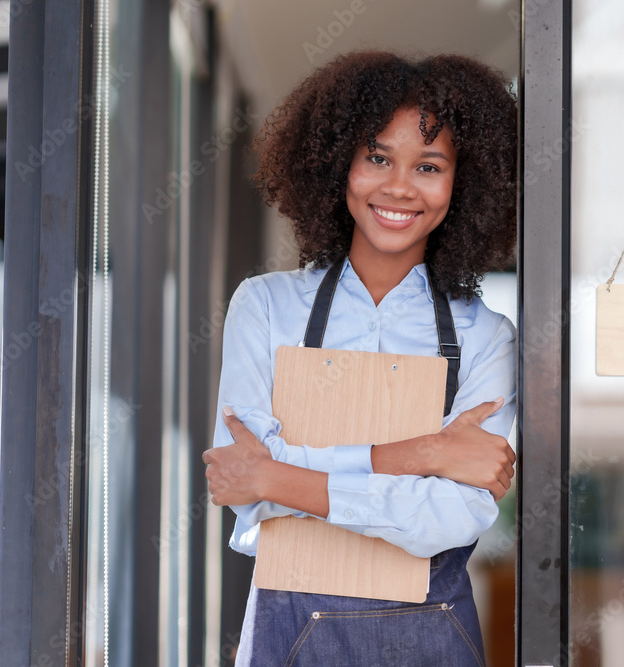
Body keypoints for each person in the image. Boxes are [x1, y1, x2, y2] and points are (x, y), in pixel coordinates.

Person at [202, 51, 518, 666]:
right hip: (285, 631)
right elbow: (241, 482)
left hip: (431, 635)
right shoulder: (266, 307)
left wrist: (283, 478)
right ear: (337, 163)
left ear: (465, 183)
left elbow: (453, 517)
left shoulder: (487, 336)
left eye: (429, 166)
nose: (399, 186)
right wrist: (423, 455)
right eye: (377, 157)